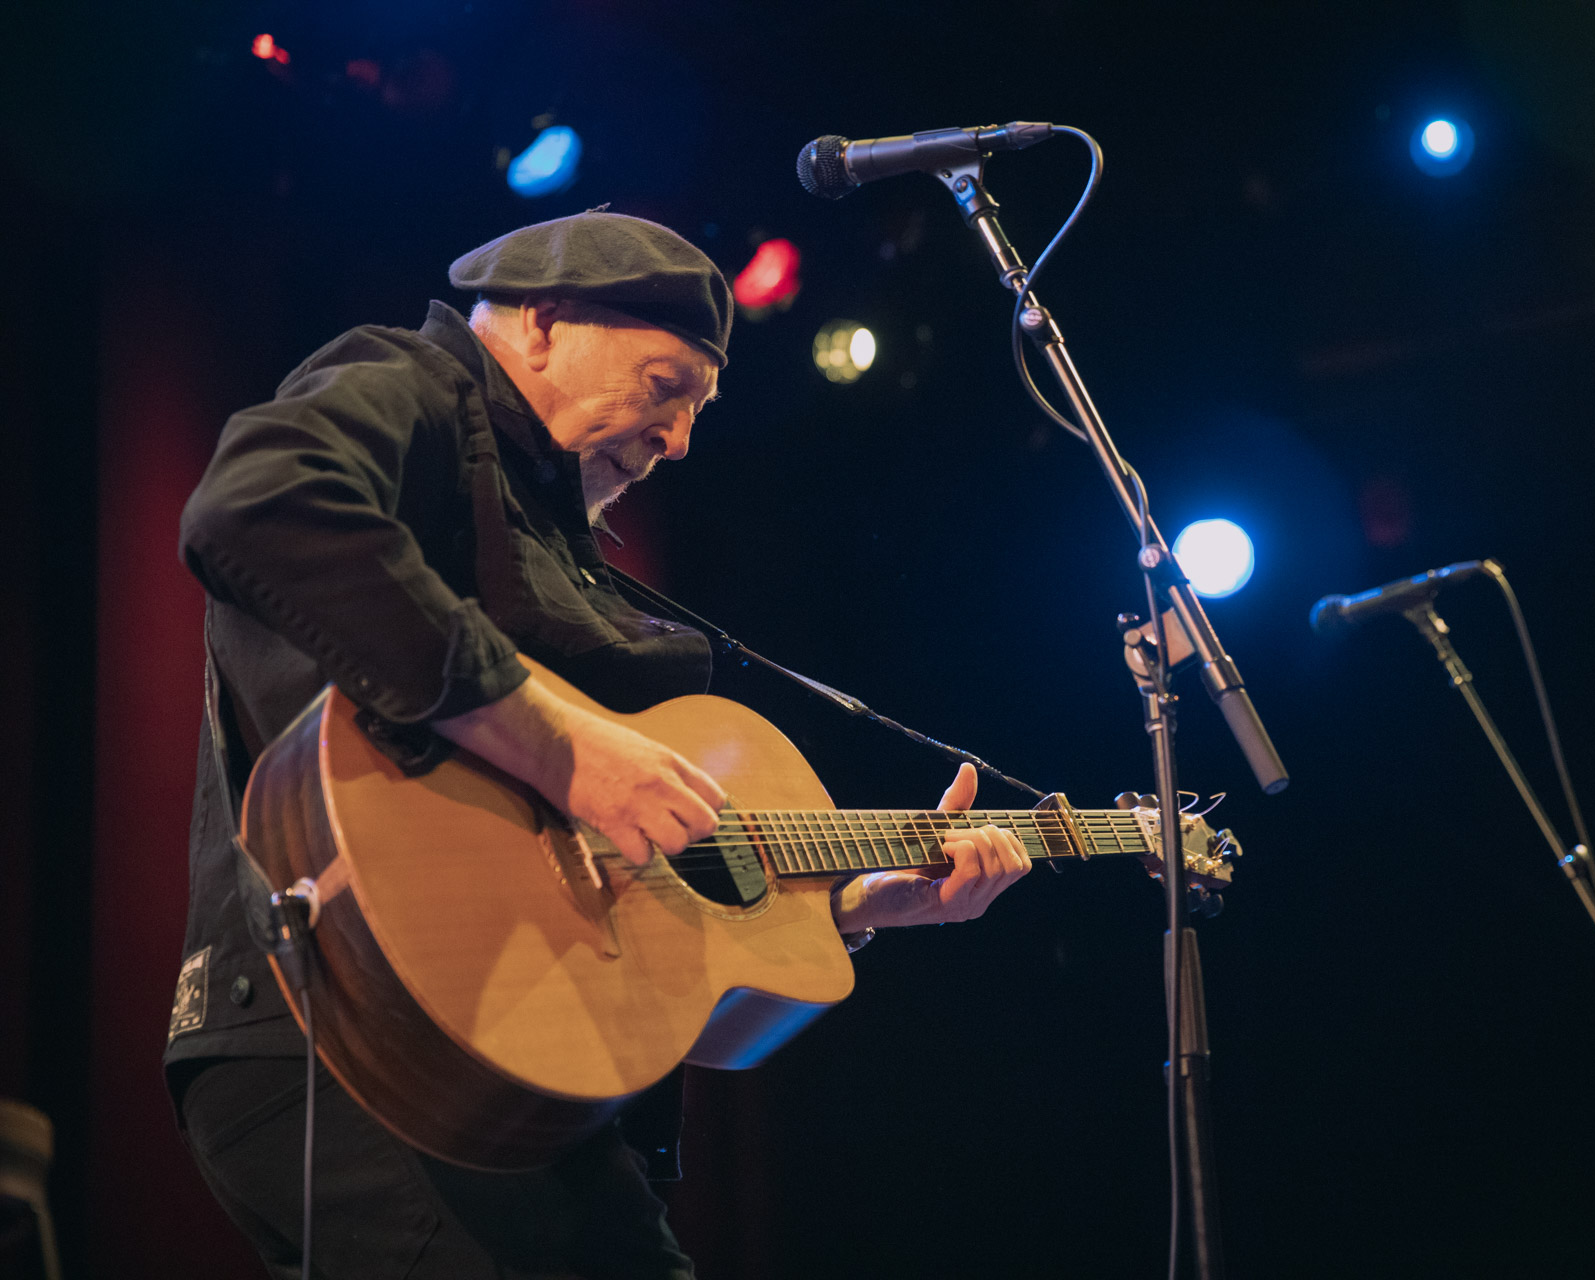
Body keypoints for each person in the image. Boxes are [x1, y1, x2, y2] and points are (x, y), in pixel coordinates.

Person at [167, 210, 1032, 1278]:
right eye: (666, 387)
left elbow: (610, 872)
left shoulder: (558, 530)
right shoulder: (409, 383)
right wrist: (564, 745)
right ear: (543, 322)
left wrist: (851, 906)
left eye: (698, 411)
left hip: (523, 1076)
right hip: (345, 1037)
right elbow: (257, 504)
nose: (679, 441)